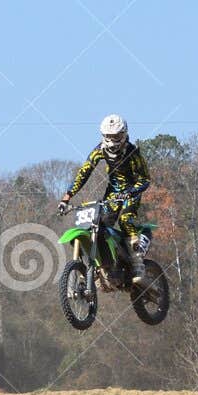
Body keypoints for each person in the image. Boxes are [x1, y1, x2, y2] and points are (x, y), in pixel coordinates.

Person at [57, 114, 151, 284]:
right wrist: (66, 197)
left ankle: (138, 264)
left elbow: (145, 179)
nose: (112, 140)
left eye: (115, 136)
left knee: (125, 219)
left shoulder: (132, 152)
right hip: (113, 192)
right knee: (100, 224)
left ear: (123, 134)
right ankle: (105, 267)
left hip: (131, 190)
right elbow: (83, 173)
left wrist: (132, 192)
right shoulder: (99, 151)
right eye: (109, 136)